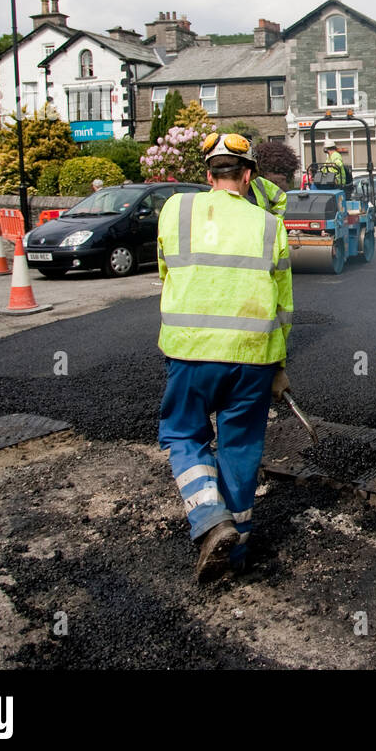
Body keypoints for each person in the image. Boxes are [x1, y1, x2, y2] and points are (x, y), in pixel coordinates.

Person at [156, 131, 294, 582]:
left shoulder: (175, 209)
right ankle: (237, 551)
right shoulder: (269, 226)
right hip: (253, 356)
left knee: (182, 434)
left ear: (208, 174)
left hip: (191, 350)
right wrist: (279, 366)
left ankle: (212, 520)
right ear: (248, 175)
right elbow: (284, 306)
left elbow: (166, 271)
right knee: (241, 447)